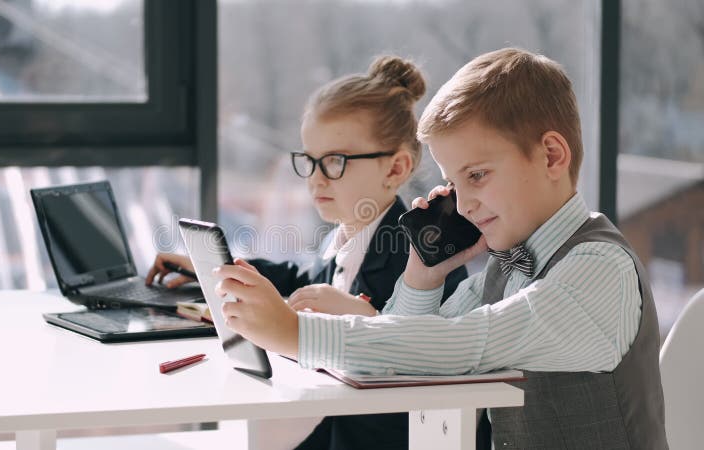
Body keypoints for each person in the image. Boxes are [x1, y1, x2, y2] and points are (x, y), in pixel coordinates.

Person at [214, 47, 669, 449]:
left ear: (552, 155)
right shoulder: (507, 270)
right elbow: (401, 366)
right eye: (453, 183)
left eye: (476, 176)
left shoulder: (598, 269)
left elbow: (468, 344)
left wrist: (297, 333)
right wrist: (422, 273)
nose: (464, 203)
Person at [146, 55, 468, 450]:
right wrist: (221, 270)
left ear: (396, 169)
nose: (315, 179)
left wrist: (362, 315)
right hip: (332, 421)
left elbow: (435, 351)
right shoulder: (346, 236)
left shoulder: (423, 257)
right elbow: (306, 280)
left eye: (334, 162)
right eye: (310, 161)